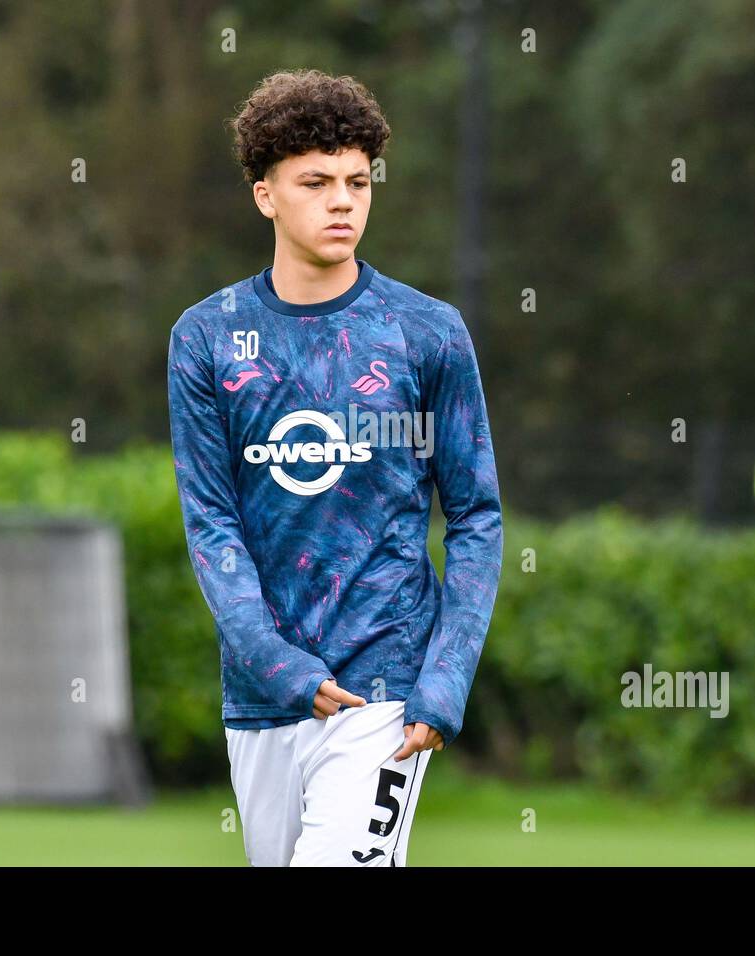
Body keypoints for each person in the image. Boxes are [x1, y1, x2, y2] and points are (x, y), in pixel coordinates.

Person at [167, 68, 503, 866]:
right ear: (265, 195)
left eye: (357, 181)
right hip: (264, 699)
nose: (343, 200)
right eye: (316, 181)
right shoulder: (206, 338)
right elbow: (212, 523)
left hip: (385, 687)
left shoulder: (429, 334)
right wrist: (277, 664)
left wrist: (445, 679)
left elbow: (478, 517)